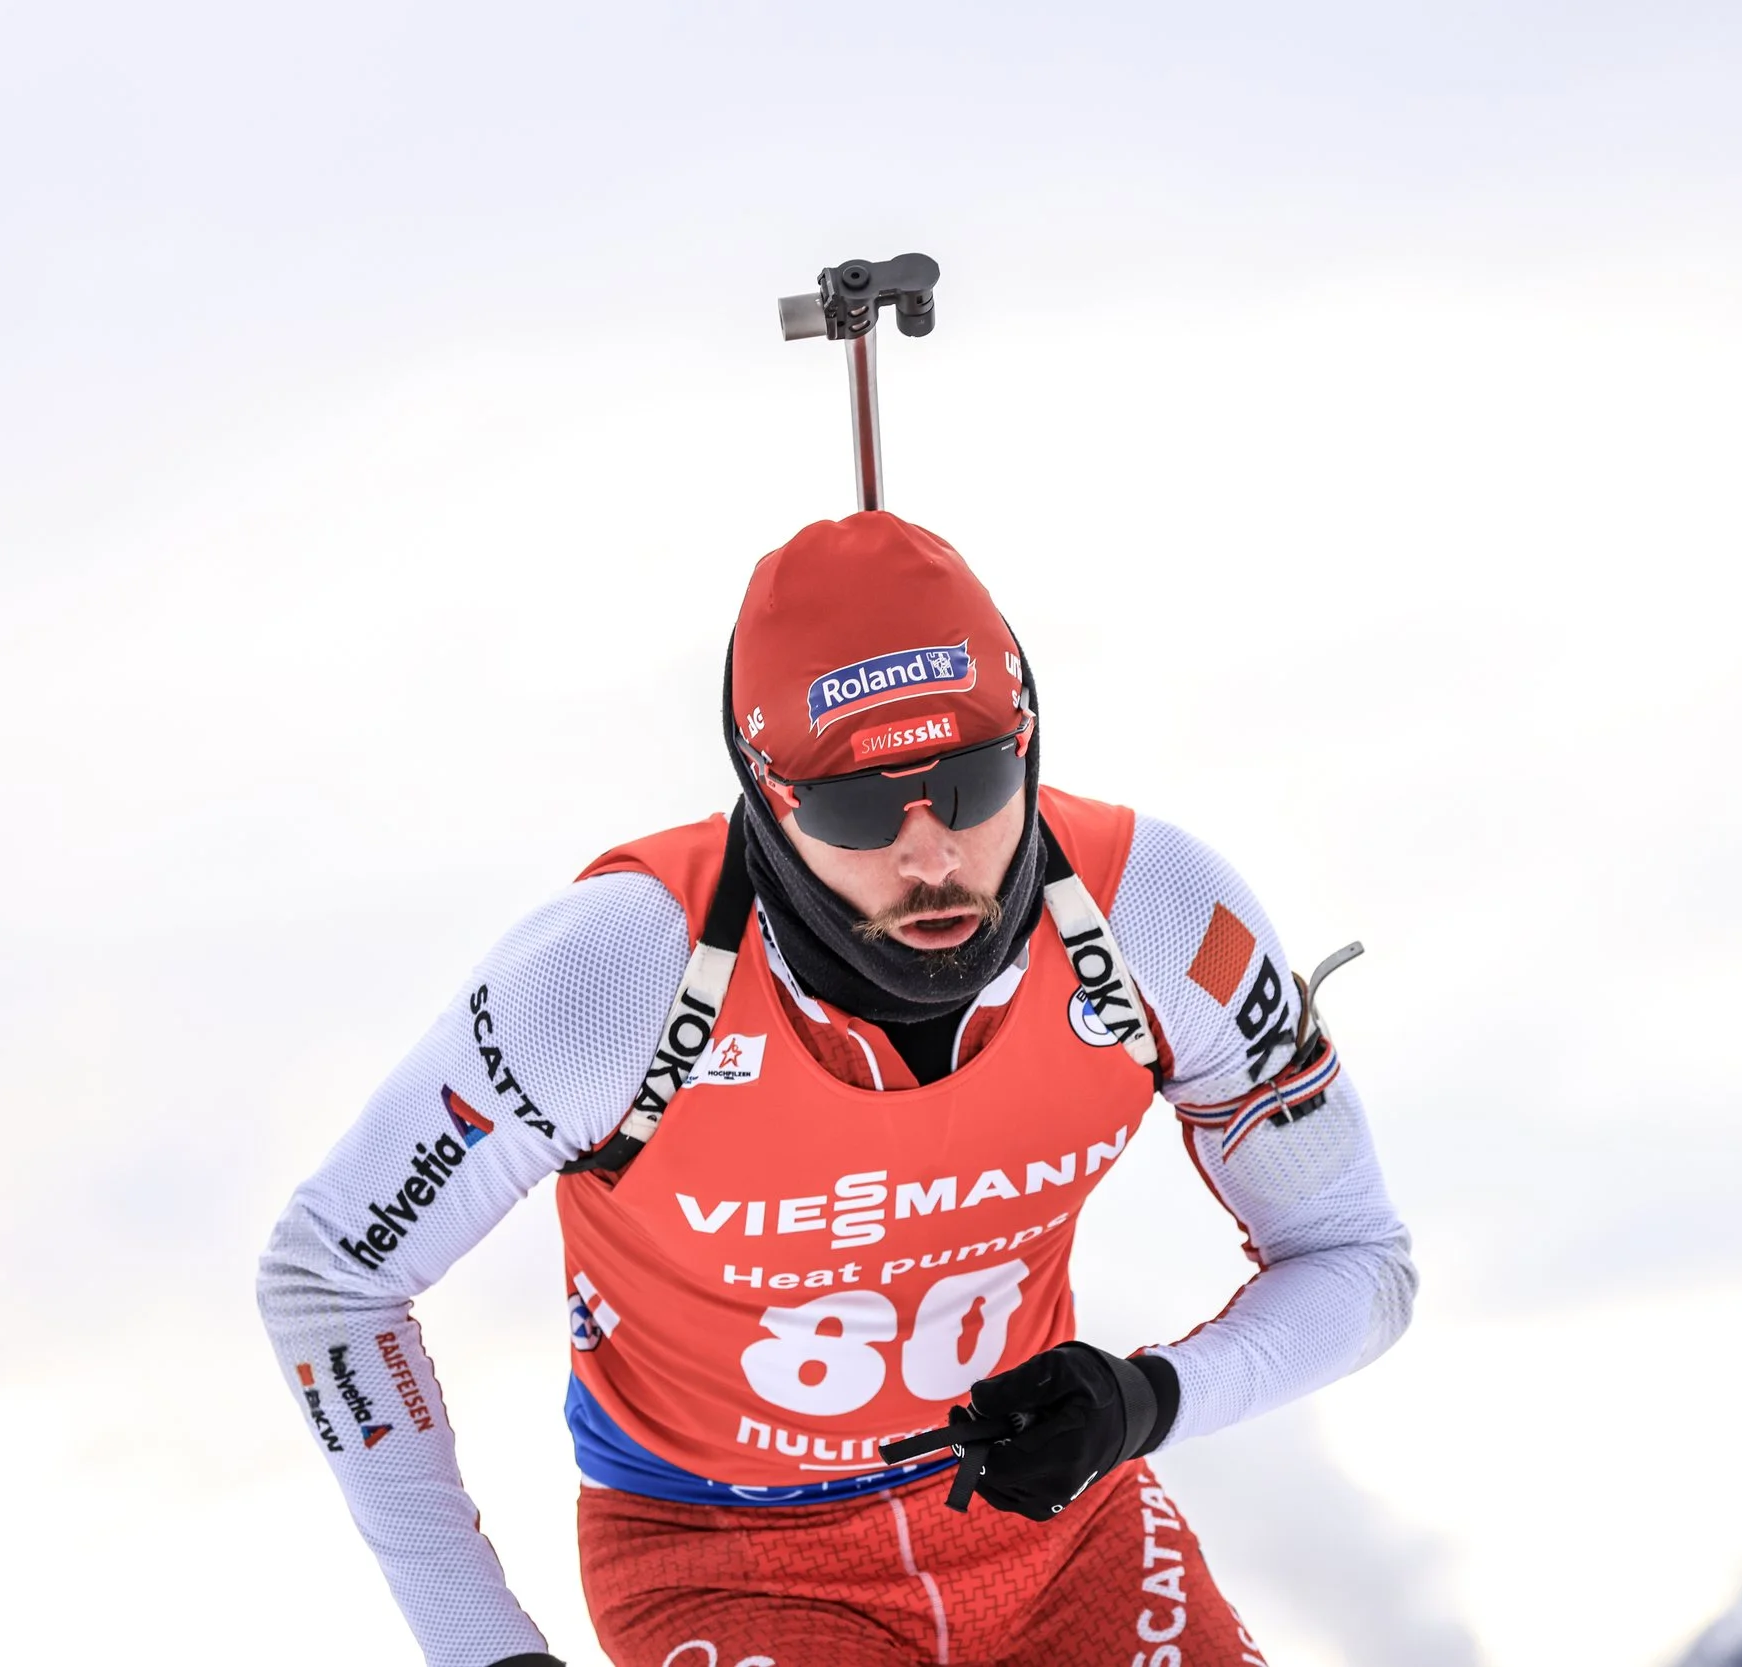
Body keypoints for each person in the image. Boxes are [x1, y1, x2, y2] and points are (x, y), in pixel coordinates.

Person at [257, 512, 1418, 1667]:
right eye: (859, 809)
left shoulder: (1161, 919)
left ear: (1029, 744)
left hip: (1064, 1527)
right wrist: (485, 1652)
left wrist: (1148, 1399)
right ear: (765, 795)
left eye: (969, 784)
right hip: (727, 1558)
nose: (929, 855)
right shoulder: (608, 980)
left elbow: (1356, 1257)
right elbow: (330, 1278)